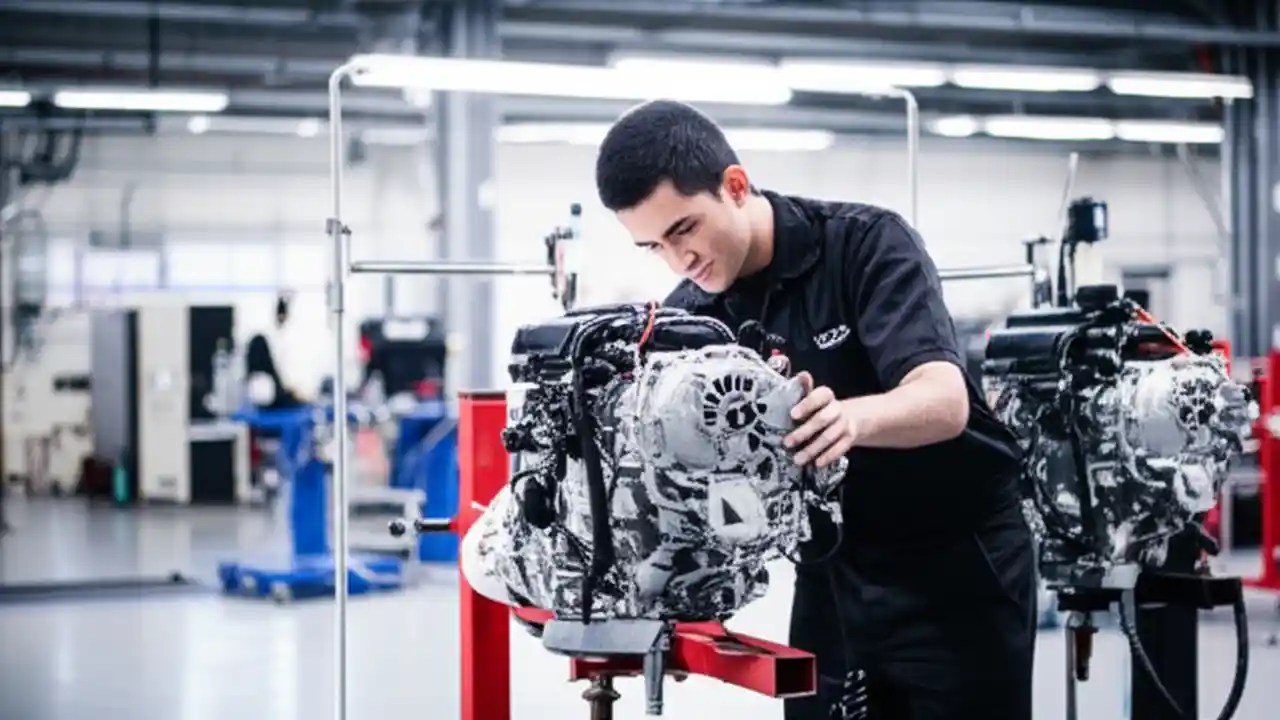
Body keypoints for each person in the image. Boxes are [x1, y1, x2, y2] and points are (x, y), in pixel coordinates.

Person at [594, 99, 1036, 720]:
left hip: (956, 561)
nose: (679, 260)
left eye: (685, 230)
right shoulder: (692, 319)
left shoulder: (866, 245)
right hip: (834, 567)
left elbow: (945, 401)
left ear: (736, 186)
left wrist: (852, 420)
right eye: (655, 247)